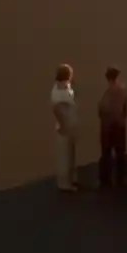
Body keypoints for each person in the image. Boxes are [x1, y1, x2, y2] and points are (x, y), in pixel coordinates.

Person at [97, 66, 127, 189]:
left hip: (107, 126)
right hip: (119, 125)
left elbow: (101, 109)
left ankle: (105, 180)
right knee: (120, 152)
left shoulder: (105, 92)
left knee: (106, 153)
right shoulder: (122, 91)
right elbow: (125, 109)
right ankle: (120, 179)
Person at [51, 63, 78, 191]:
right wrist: (63, 125)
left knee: (70, 154)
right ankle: (64, 183)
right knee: (64, 156)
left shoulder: (66, 86)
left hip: (70, 126)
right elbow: (57, 109)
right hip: (64, 127)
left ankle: (71, 179)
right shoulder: (57, 91)